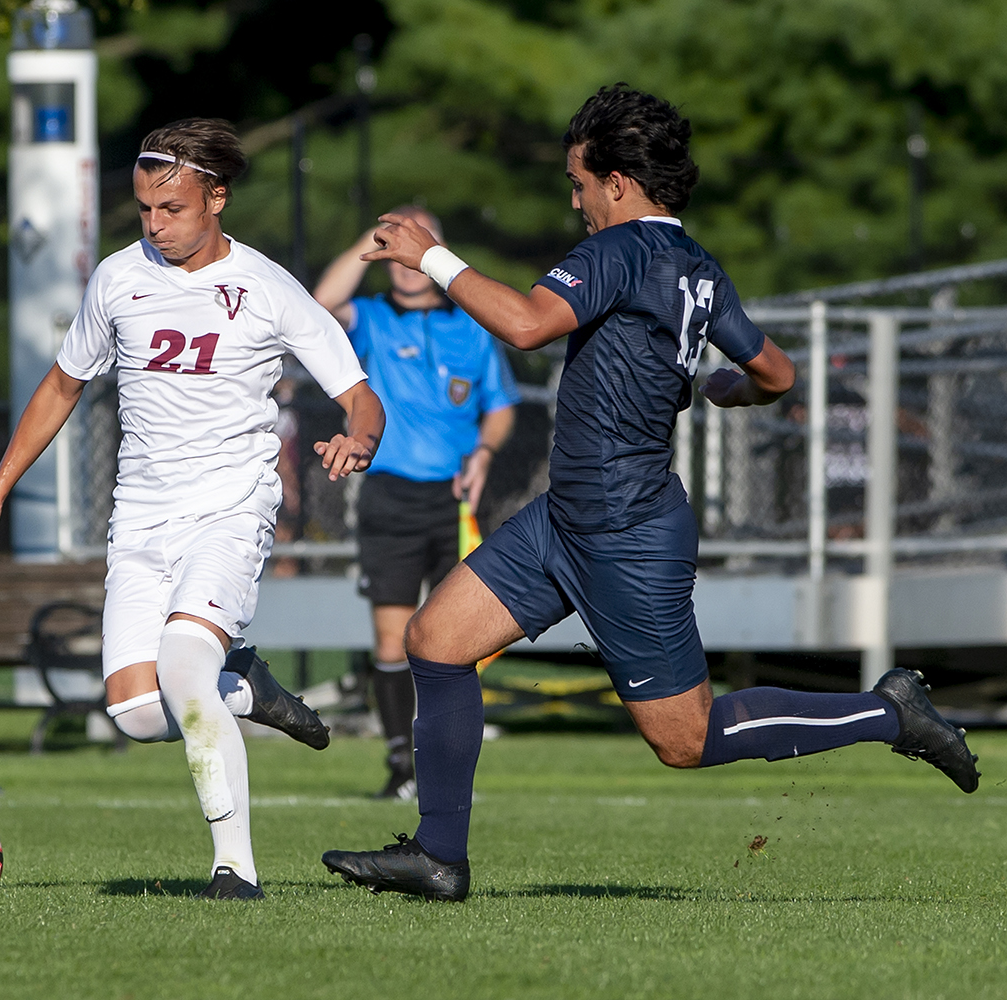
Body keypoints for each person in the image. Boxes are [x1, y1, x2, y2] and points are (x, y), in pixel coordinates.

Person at [321, 85, 980, 902]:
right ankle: (438, 856)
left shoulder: (617, 249)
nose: (575, 200)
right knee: (436, 640)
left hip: (628, 531)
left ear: (619, 185)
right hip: (567, 516)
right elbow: (778, 369)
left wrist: (432, 257)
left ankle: (891, 713)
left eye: (578, 182)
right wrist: (739, 392)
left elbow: (527, 324)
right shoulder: (698, 265)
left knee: (687, 739)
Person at [0, 118, 385, 900]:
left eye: (172, 209)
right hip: (143, 518)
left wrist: (357, 438)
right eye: (144, 210)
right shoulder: (118, 278)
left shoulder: (264, 286)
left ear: (216, 197)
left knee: (185, 669)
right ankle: (247, 687)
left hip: (231, 506)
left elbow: (359, 395)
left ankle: (235, 869)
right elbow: (63, 386)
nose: (155, 225)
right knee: (132, 709)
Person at [314, 207, 520, 800]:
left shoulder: (473, 328)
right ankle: (401, 764)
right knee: (390, 639)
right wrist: (371, 238)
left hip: (453, 503)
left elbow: (502, 406)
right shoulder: (372, 319)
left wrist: (484, 450)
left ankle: (448, 764)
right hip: (389, 497)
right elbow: (321, 304)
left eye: (412, 244)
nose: (400, 258)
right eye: (389, 244)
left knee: (454, 640)